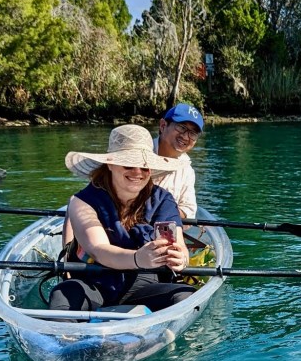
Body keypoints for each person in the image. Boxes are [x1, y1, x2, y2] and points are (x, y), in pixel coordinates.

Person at [49, 124, 196, 315]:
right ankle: (66, 340)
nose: (137, 172)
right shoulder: (82, 202)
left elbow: (179, 243)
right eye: (128, 164)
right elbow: (99, 250)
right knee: (63, 293)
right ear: (110, 164)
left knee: (185, 296)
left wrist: (181, 259)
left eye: (144, 167)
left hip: (144, 286)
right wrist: (137, 258)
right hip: (93, 284)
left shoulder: (163, 199)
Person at [152, 103, 204, 218]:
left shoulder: (187, 170)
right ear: (163, 126)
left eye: (193, 133)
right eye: (181, 127)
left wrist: (163, 212)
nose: (185, 137)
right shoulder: (138, 152)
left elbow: (188, 210)